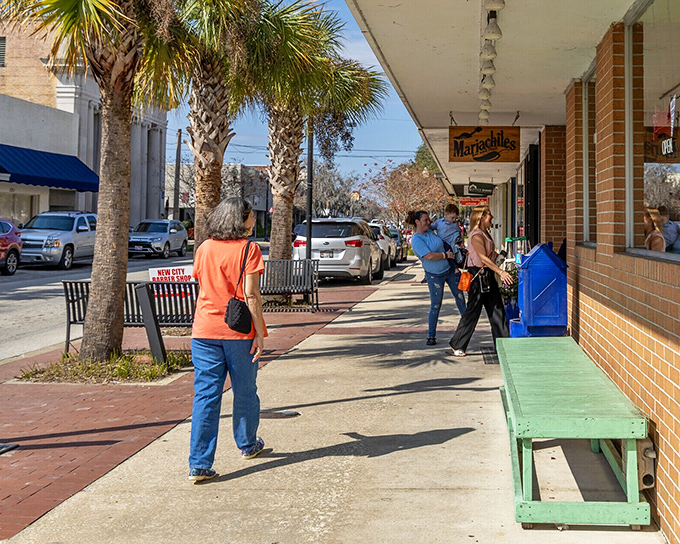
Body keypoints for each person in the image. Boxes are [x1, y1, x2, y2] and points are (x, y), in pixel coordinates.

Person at [188, 197, 267, 483]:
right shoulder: (250, 250)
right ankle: (247, 444)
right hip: (238, 332)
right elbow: (252, 295)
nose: (254, 220)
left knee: (206, 396)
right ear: (240, 219)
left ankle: (199, 463)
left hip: (204, 331)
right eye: (251, 216)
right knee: (245, 390)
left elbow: (202, 283)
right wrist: (259, 331)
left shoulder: (204, 248)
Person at [448, 205, 513, 357]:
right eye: (489, 215)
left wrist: (498, 257)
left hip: (487, 275)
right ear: (481, 217)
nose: (492, 218)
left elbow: (488, 258)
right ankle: (457, 344)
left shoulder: (486, 234)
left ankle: (504, 345)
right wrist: (501, 272)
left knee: (497, 311)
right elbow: (482, 258)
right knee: (473, 311)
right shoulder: (476, 235)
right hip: (478, 277)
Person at [408, 210, 467, 346]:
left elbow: (444, 241)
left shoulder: (430, 232)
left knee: (460, 298)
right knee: (436, 304)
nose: (428, 222)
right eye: (425, 220)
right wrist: (445, 255)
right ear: (417, 222)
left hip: (449, 270)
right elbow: (429, 256)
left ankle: (467, 327)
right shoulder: (416, 240)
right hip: (434, 275)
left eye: (429, 220)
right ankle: (431, 335)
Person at [431, 203, 466, 271]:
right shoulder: (439, 222)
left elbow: (461, 231)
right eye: (452, 217)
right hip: (439, 242)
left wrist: (462, 242)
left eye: (455, 218)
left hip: (449, 243)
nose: (454, 220)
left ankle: (456, 268)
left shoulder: (455, 225)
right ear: (446, 215)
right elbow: (431, 228)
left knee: (450, 255)